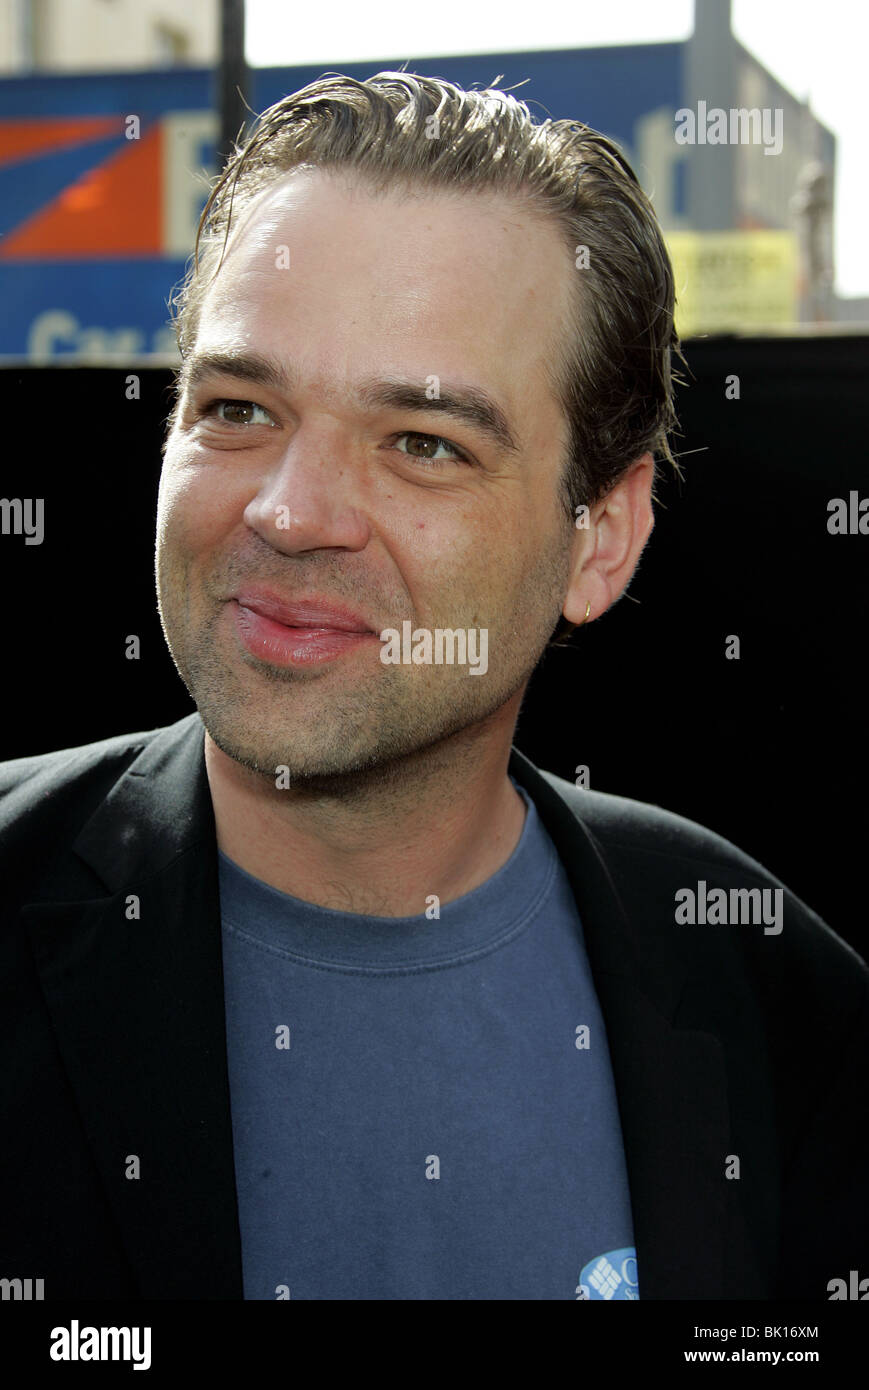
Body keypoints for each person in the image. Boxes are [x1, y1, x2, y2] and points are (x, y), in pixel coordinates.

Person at [1, 71, 866, 1302]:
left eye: (422, 443)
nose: (291, 512)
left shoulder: (778, 1003)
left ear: (599, 540)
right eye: (239, 408)